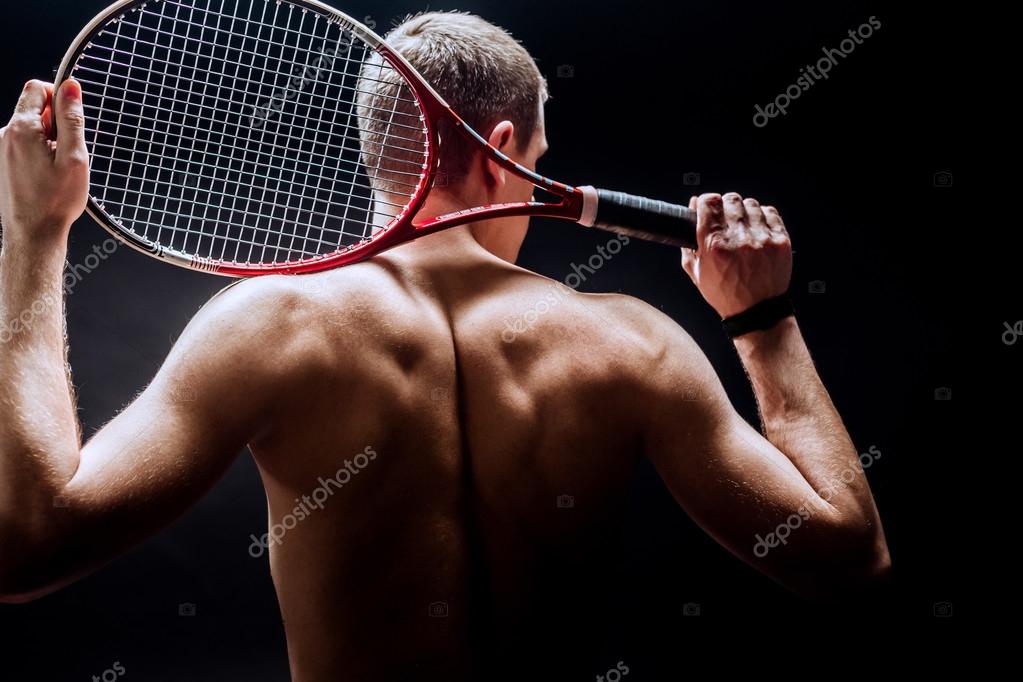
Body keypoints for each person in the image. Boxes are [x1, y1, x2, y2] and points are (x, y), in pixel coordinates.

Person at [0, 12, 890, 681]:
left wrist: (35, 243)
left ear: (377, 152)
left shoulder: (267, 325)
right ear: (503, 147)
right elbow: (848, 564)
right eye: (542, 148)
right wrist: (760, 319)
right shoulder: (634, 343)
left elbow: (26, 547)